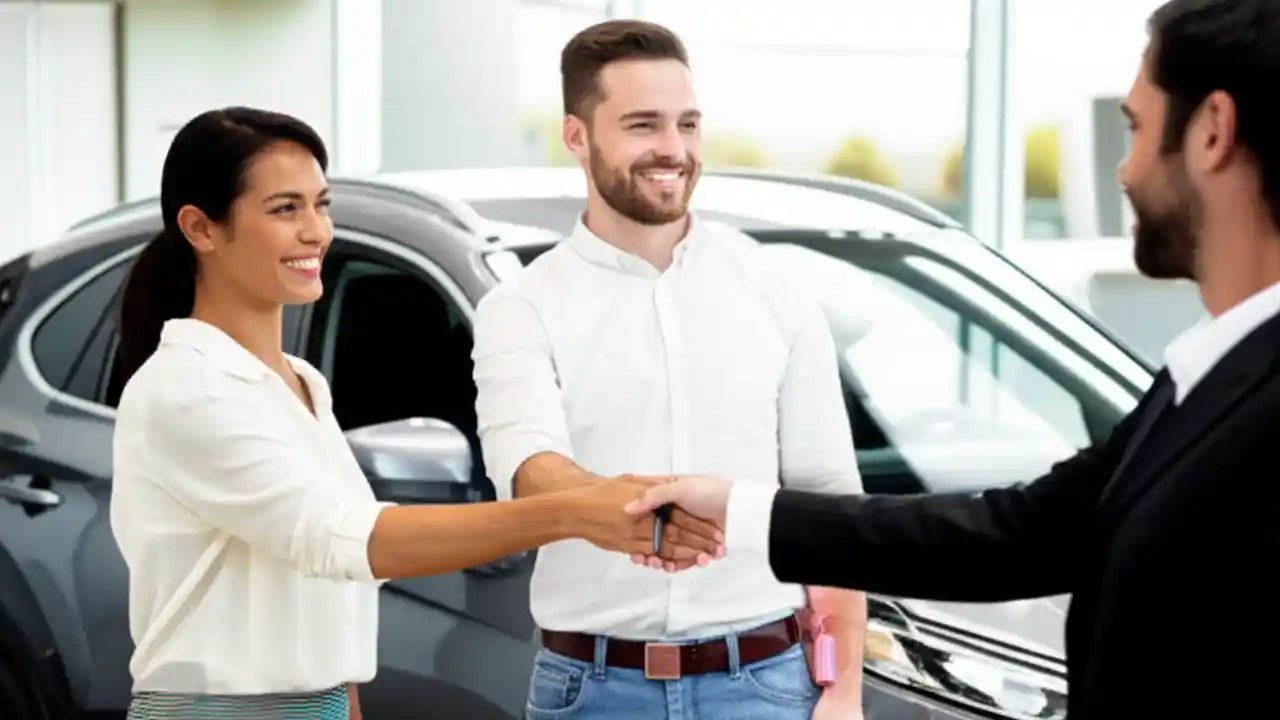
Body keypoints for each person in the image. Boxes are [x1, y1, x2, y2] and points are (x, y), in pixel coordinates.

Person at [625, 1, 1280, 718]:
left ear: (1212, 130)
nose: (1123, 169)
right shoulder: (1203, 380)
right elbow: (1016, 534)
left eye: (1136, 128)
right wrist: (738, 510)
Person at [108, 106, 717, 720]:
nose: (317, 231)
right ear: (200, 228)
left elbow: (326, 593)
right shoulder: (187, 388)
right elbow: (345, 540)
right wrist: (571, 512)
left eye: (321, 204)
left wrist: (342, 703)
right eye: (284, 209)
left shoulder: (302, 384)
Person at [471, 20, 867, 720]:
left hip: (768, 686)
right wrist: (640, 518)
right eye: (643, 125)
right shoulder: (520, 307)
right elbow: (531, 471)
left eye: (687, 124)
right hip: (590, 692)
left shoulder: (772, 287)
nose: (674, 150)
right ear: (577, 136)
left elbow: (829, 496)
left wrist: (846, 691)